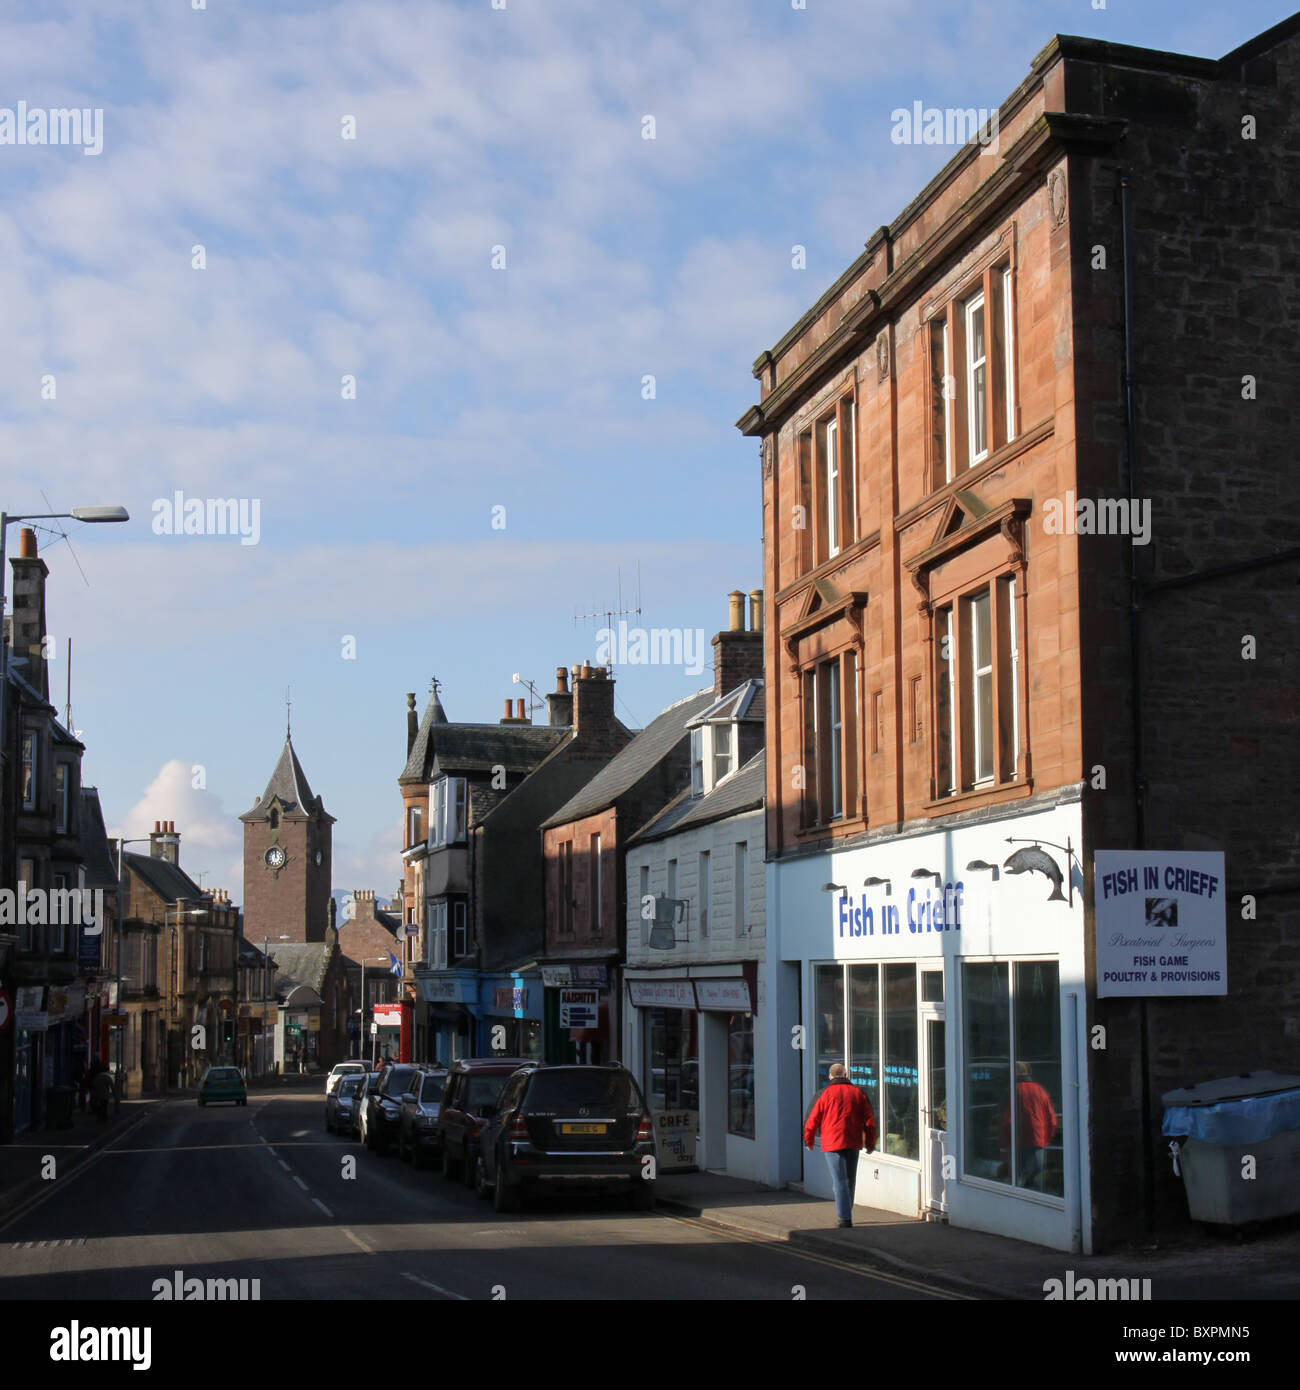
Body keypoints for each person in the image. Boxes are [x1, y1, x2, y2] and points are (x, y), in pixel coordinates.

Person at [804, 1062, 877, 1228]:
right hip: (853, 1141)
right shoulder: (858, 1093)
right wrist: (870, 1144)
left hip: (832, 1142)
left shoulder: (824, 1093)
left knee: (839, 1180)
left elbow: (811, 1119)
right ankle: (846, 1211)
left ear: (830, 1077)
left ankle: (844, 1218)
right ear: (845, 1075)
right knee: (850, 1180)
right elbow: (870, 1121)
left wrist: (808, 1140)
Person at [998, 1061, 1058, 1188]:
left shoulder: (1012, 1090)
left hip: (1017, 1141)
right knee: (1035, 1175)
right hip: (1038, 1140)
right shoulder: (1040, 1090)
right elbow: (1052, 1120)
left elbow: (1006, 1121)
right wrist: (1046, 1139)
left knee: (1016, 1177)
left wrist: (1003, 1146)